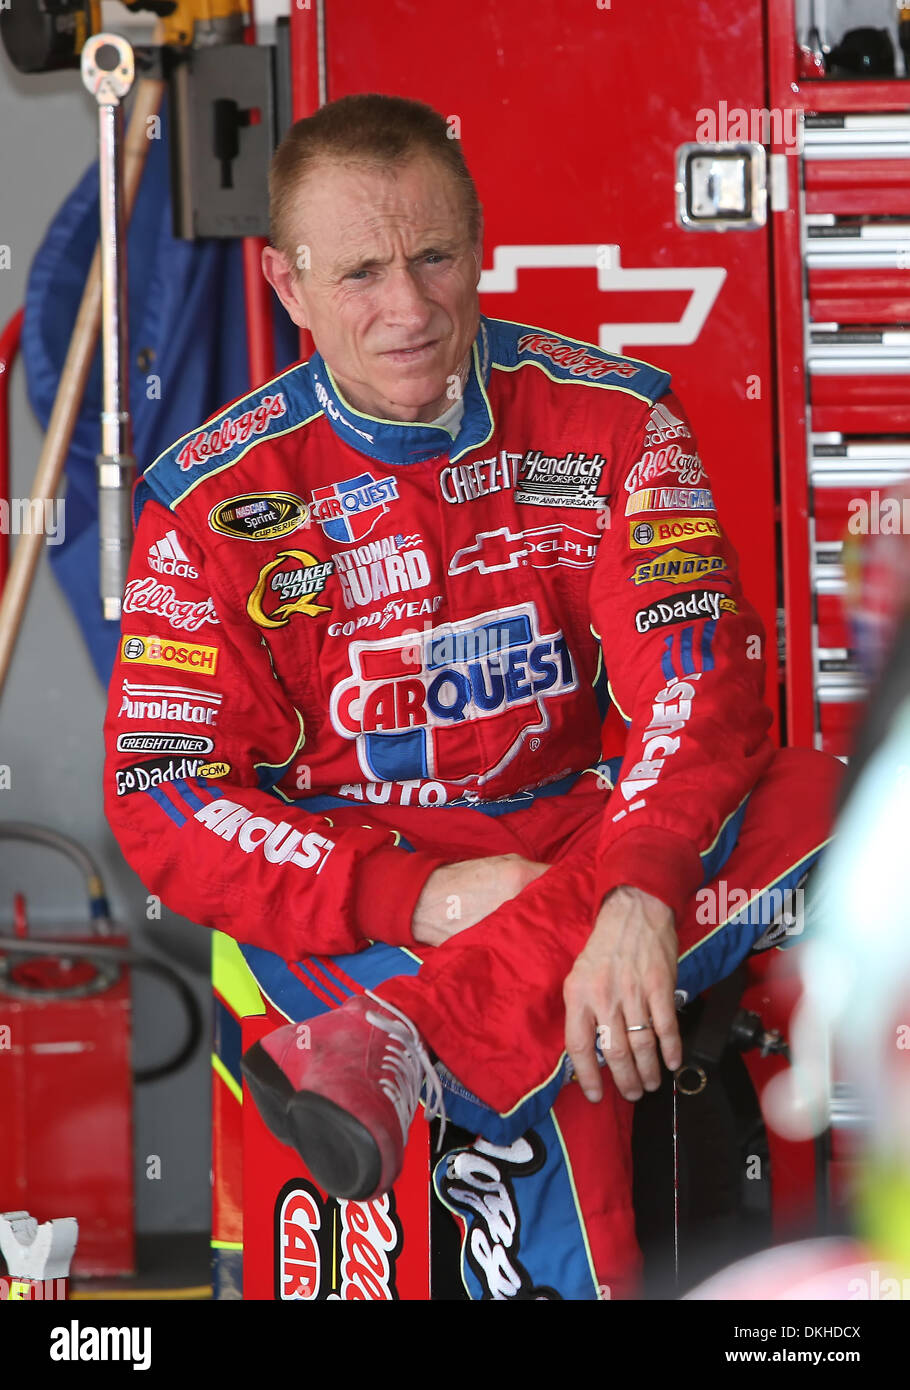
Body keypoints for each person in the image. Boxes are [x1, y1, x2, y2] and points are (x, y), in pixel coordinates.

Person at [103, 93, 841, 1298]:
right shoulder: (209, 498)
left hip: (591, 838)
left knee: (827, 798)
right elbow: (162, 796)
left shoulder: (616, 419)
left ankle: (407, 1048)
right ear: (284, 285)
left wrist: (639, 893)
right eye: (359, 274)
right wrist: (424, 891)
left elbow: (697, 688)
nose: (409, 308)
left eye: (435, 255)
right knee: (583, 1067)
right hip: (363, 866)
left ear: (480, 243)